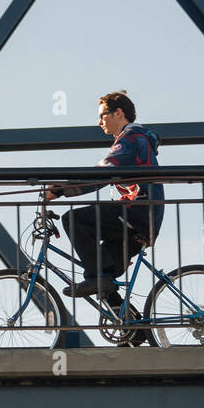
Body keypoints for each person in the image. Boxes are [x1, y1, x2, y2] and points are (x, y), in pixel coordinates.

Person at [42, 90, 164, 310]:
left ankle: (97, 278)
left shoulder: (130, 139)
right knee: (101, 278)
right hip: (145, 220)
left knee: (73, 219)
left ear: (118, 113)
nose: (99, 122)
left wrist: (60, 189)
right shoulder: (135, 139)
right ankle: (134, 332)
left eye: (102, 115)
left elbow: (103, 172)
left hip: (137, 213)